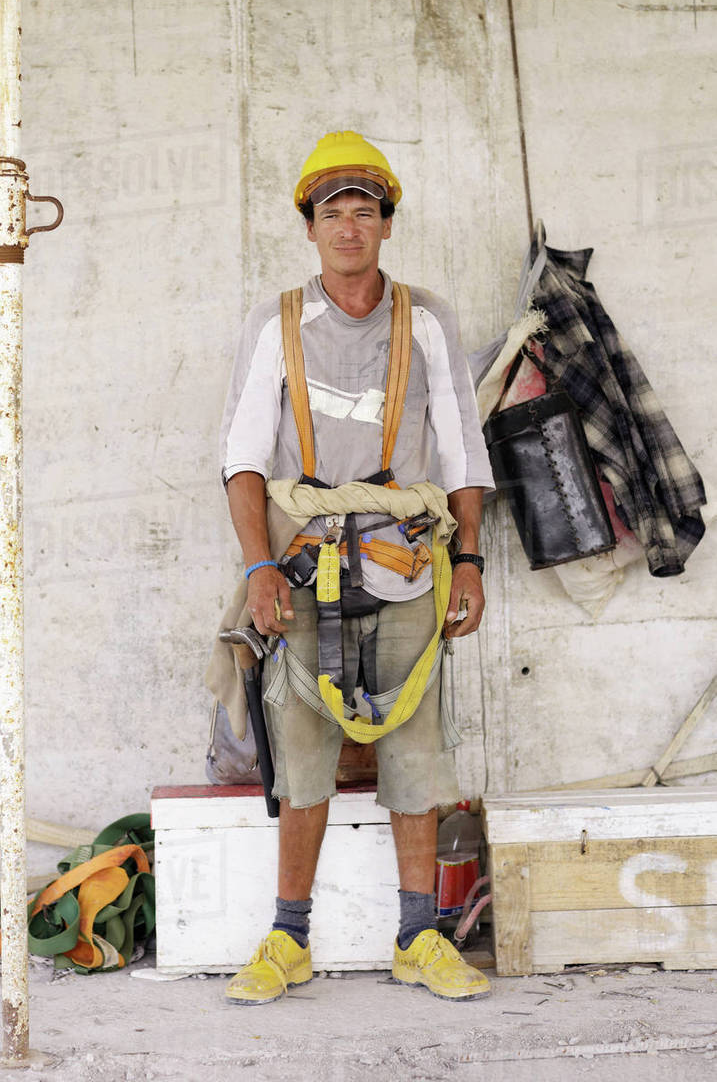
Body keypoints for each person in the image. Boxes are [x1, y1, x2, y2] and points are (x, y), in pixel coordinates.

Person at [217, 131, 494, 1004]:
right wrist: (259, 567)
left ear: (385, 225)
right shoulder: (278, 323)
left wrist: (472, 559)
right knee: (301, 756)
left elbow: (462, 450)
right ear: (308, 229)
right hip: (305, 566)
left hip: (406, 563)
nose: (347, 228)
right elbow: (242, 461)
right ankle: (287, 939)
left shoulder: (427, 319)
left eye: (363, 212)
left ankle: (420, 937)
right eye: (330, 213)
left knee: (415, 750)